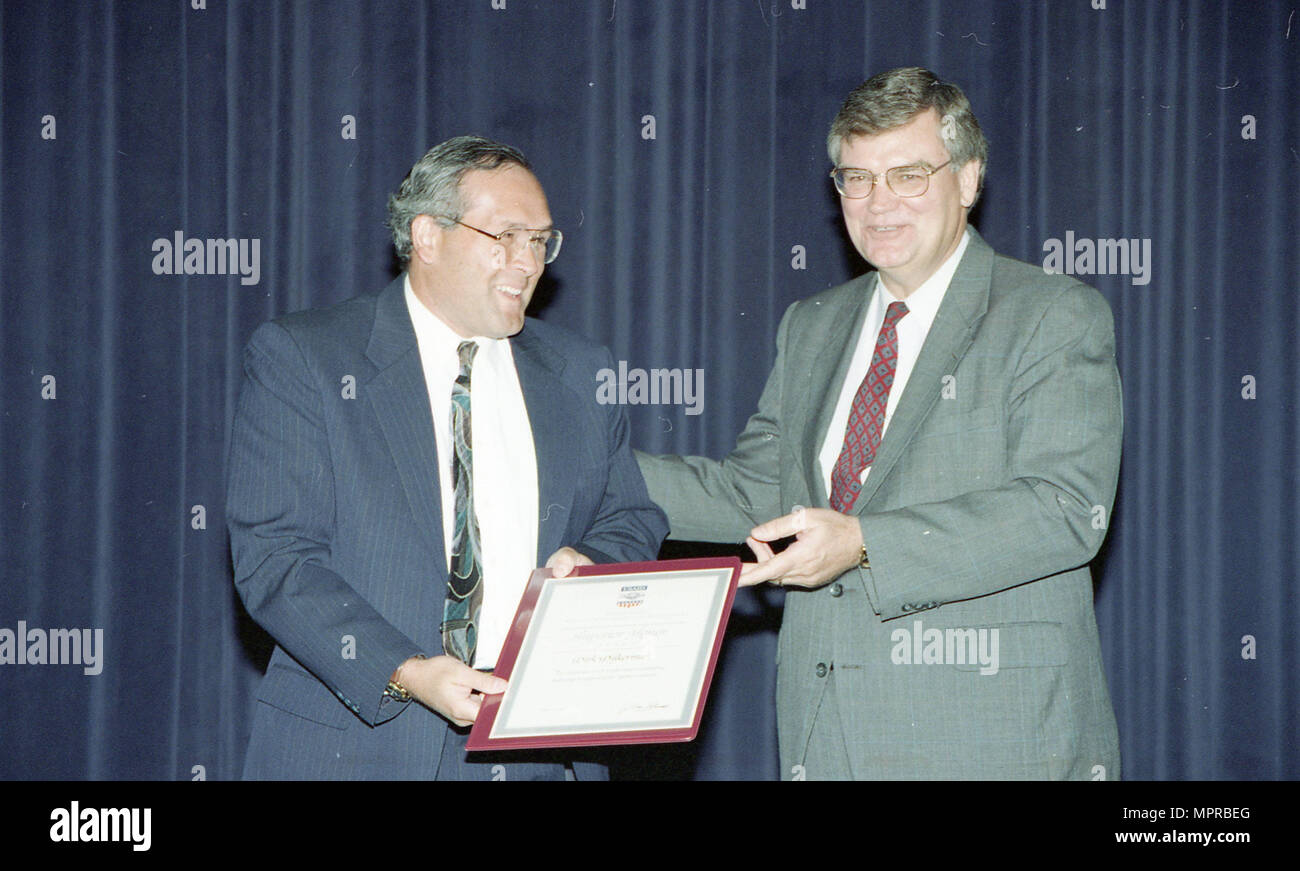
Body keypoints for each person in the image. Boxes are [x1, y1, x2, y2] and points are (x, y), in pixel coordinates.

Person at [636, 67, 1122, 780]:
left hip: (993, 740)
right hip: (825, 738)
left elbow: (1063, 509)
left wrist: (864, 543)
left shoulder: (1051, 313)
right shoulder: (811, 325)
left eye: (908, 174)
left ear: (968, 179)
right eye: (855, 179)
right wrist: (581, 464)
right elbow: (754, 494)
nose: (878, 202)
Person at [227, 135, 667, 780]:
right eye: (506, 236)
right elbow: (275, 555)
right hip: (359, 744)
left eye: (541, 241)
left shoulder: (581, 370)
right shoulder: (308, 358)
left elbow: (630, 515)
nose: (528, 262)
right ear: (427, 235)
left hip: (536, 750)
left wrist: (593, 565)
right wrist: (407, 672)